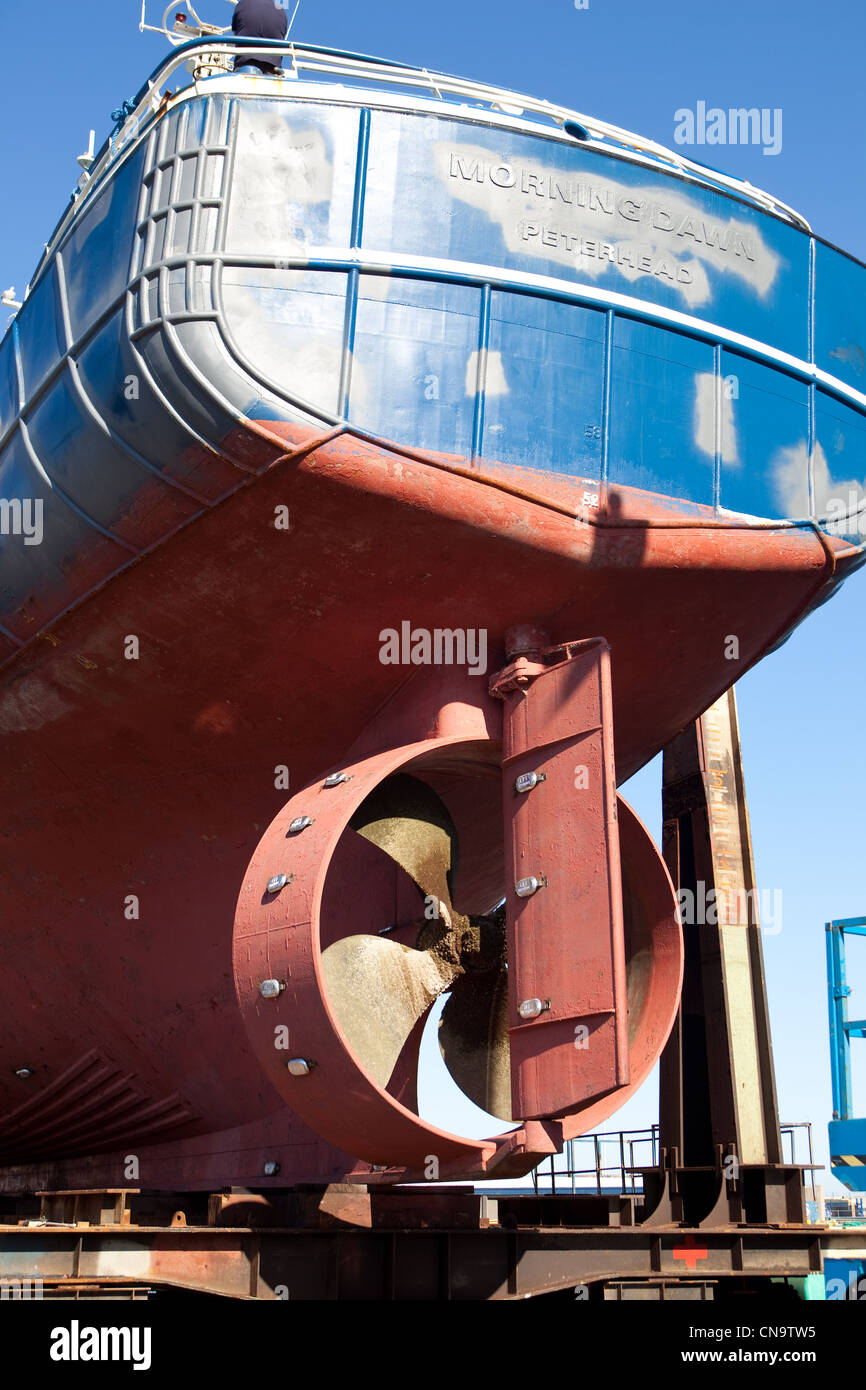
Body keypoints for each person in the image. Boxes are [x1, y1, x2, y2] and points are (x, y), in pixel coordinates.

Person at [232, 0, 289, 76]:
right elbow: (281, 36)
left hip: (246, 64)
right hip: (274, 70)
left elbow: (235, 34)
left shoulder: (242, 5)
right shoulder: (281, 11)